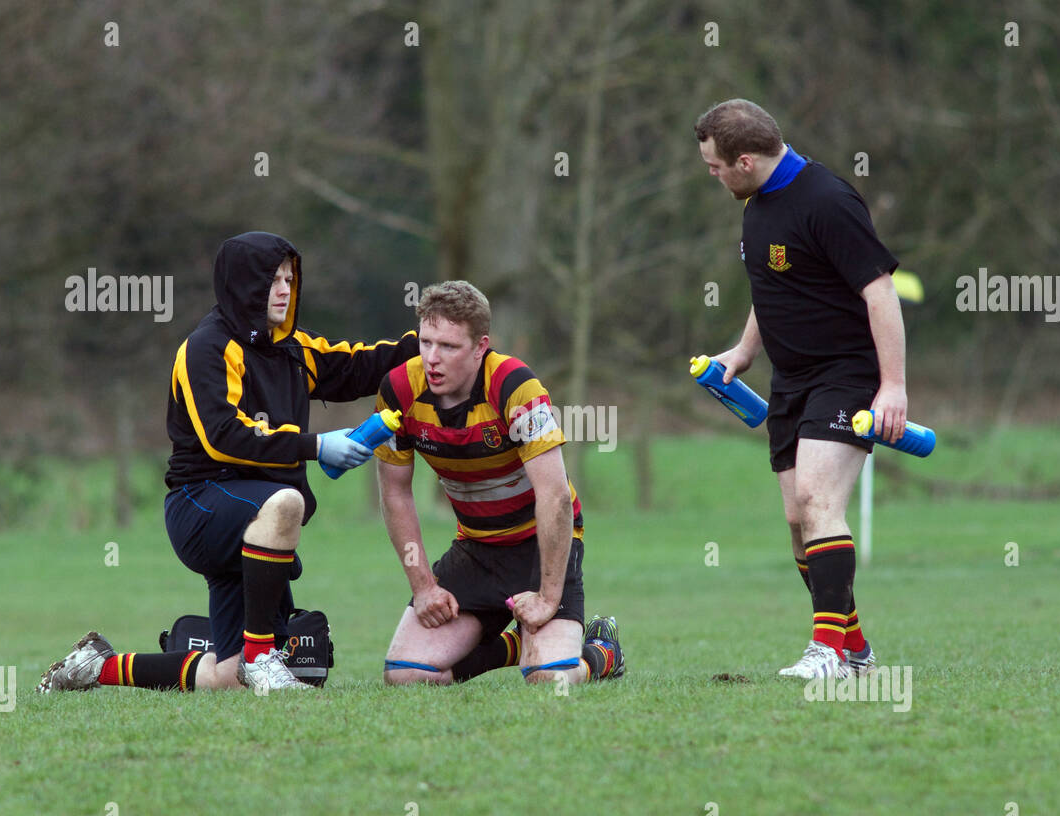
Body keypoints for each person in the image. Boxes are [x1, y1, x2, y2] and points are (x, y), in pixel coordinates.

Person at [38, 231, 418, 694]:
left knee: (226, 675)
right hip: (200, 506)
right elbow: (223, 437)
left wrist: (432, 344)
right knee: (285, 503)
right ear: (243, 285)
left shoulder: (292, 348)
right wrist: (317, 446)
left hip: (255, 523)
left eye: (289, 279)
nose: (284, 289)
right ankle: (261, 658)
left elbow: (360, 364)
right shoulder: (206, 348)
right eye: (271, 280)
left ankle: (96, 667)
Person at [695, 99, 907, 680]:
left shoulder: (828, 201)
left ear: (744, 160)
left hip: (846, 373)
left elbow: (881, 292)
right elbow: (774, 288)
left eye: (714, 167)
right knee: (798, 520)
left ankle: (829, 654)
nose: (711, 176)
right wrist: (743, 352)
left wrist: (892, 387)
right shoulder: (756, 203)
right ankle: (856, 649)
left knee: (819, 500)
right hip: (790, 381)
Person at [373, 280, 623, 686]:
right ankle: (514, 645)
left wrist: (547, 597)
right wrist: (423, 587)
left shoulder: (514, 386)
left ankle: (601, 654)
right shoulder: (398, 390)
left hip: (541, 542)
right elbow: (395, 493)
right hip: (477, 547)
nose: (432, 358)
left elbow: (555, 495)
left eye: (449, 347)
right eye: (426, 342)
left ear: (480, 347)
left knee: (549, 679)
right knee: (405, 676)